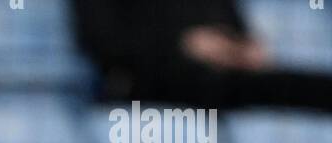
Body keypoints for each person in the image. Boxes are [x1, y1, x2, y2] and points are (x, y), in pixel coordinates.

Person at [71, 0, 332, 113]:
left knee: (311, 87)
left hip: (227, 77)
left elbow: (236, 28)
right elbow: (102, 44)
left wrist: (244, 49)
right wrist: (182, 44)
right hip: (152, 82)